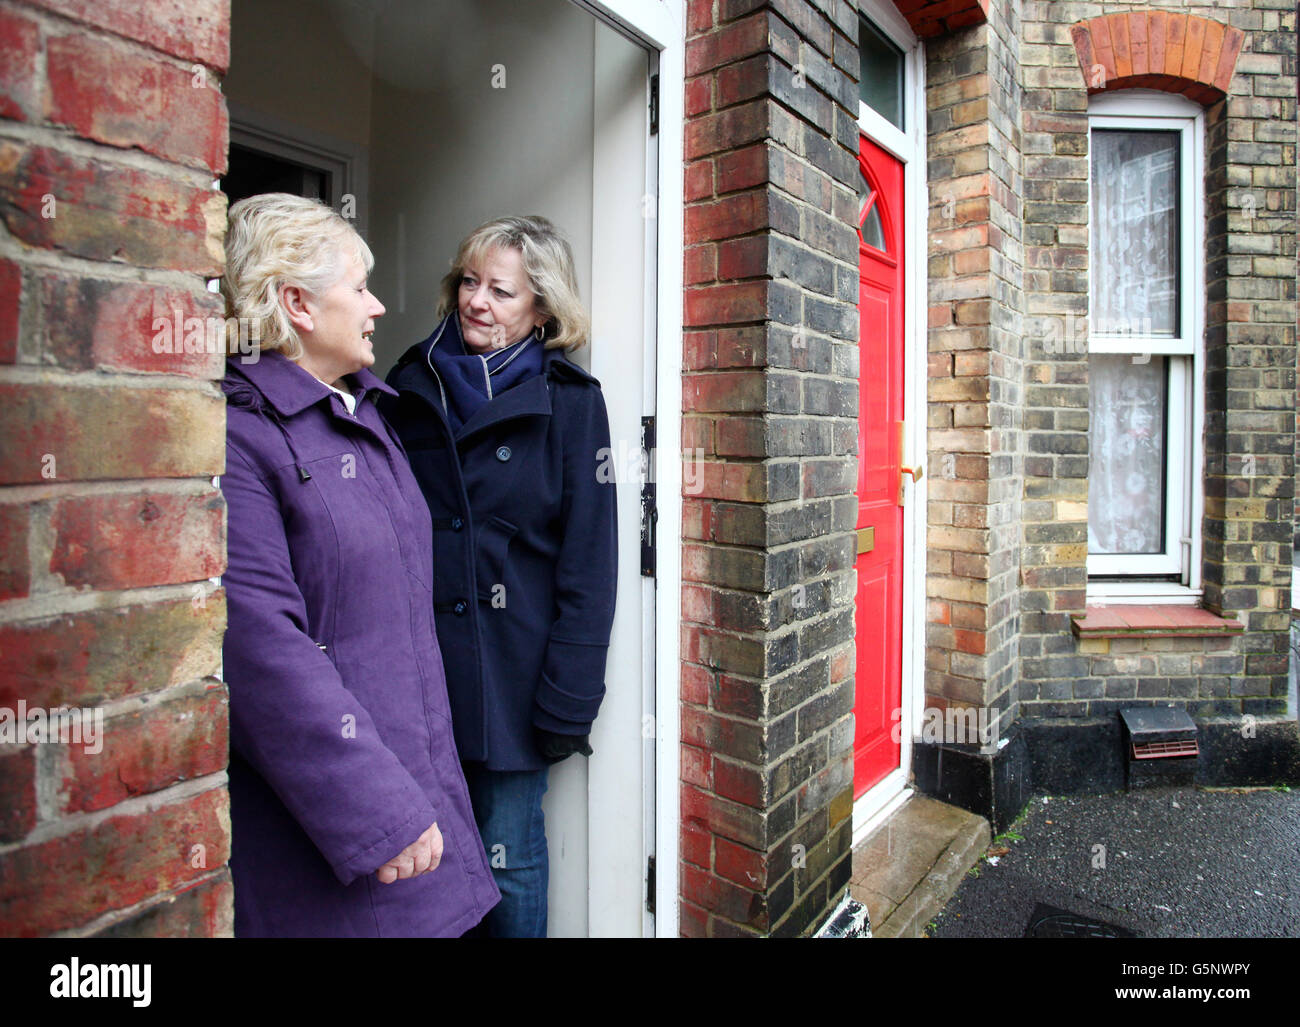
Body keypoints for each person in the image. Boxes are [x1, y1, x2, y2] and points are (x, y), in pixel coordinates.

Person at [219, 193, 499, 936]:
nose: (377, 306)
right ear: (297, 305)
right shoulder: (240, 438)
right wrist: (378, 809)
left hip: (420, 784)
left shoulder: (364, 413)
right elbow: (257, 651)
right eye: (358, 287)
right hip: (347, 829)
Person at [381, 215, 617, 937]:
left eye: (501, 291)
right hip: (417, 673)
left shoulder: (572, 403)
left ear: (541, 309)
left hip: (514, 683)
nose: (477, 301)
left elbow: (590, 561)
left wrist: (568, 698)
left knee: (509, 856)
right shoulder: (407, 382)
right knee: (421, 855)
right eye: (469, 283)